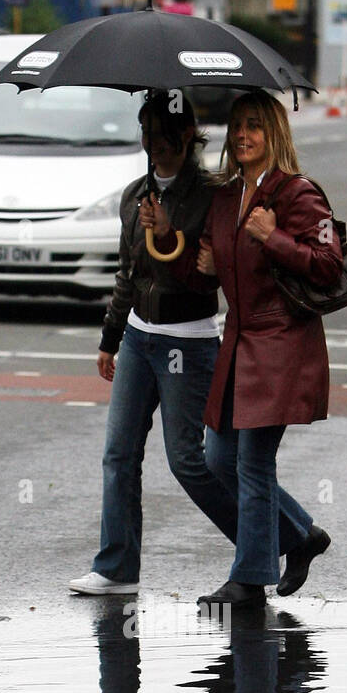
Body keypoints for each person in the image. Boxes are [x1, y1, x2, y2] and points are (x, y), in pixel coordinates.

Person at [152, 89, 344, 608]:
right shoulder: (226, 196)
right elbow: (199, 272)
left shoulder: (298, 195)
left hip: (281, 345)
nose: (242, 136)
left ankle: (250, 578)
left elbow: (329, 264)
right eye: (237, 126)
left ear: (274, 133)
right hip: (238, 345)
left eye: (254, 126)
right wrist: (172, 240)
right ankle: (300, 535)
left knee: (253, 463)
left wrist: (274, 237)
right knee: (218, 459)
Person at [70, 92, 238, 596]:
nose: (151, 143)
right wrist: (110, 337)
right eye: (144, 131)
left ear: (186, 135)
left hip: (188, 340)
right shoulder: (134, 197)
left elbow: (203, 282)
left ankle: (277, 535)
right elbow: (128, 274)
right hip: (142, 338)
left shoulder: (212, 196)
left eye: (161, 133)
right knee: (118, 453)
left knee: (189, 461)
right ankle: (117, 568)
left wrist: (167, 235)